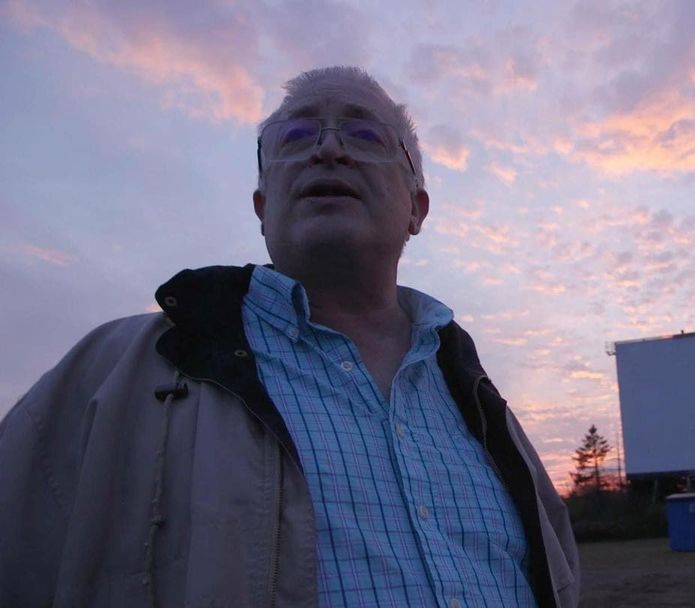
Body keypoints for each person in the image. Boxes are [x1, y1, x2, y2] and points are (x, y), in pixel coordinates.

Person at [0, 66, 579, 607]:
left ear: (416, 208)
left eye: (366, 135)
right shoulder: (112, 374)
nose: (328, 149)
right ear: (262, 204)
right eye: (297, 136)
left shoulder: (480, 402)